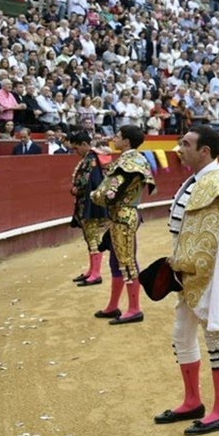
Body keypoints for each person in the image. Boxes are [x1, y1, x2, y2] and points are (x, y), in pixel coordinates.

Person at [157, 124, 219, 436]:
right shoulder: (197, 182)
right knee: (182, 335)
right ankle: (192, 401)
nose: (179, 148)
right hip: (187, 274)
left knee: (216, 336)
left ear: (205, 151)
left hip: (210, 277)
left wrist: (218, 286)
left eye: (186, 144)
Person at [89, 125, 156, 324]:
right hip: (119, 215)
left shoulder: (130, 163)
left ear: (126, 141)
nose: (113, 138)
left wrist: (94, 195)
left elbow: (109, 193)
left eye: (117, 136)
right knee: (116, 261)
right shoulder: (131, 159)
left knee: (127, 261)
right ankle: (113, 306)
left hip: (123, 215)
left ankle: (134, 309)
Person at [68, 130, 108, 287]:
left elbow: (87, 182)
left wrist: (75, 190)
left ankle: (96, 273)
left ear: (85, 144)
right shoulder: (91, 158)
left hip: (90, 205)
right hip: (87, 203)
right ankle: (92, 270)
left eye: (76, 148)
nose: (75, 152)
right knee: (90, 238)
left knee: (93, 238)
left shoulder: (91, 159)